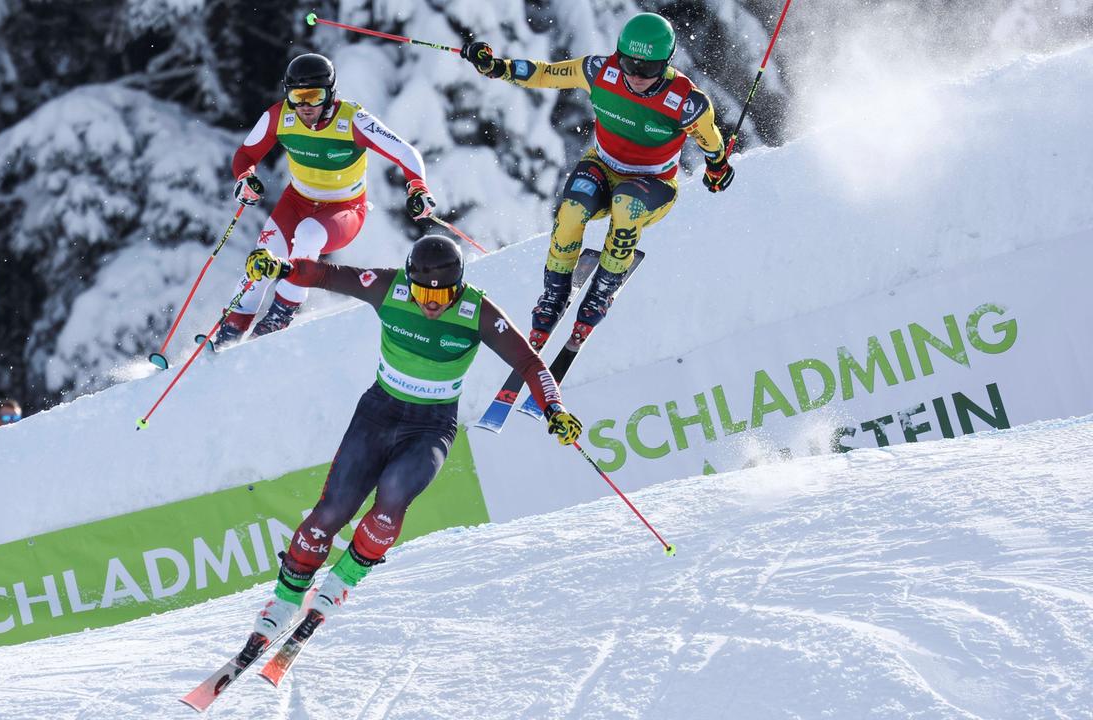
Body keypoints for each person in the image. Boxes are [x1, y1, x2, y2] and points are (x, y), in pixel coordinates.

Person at [236, 235, 583, 657]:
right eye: (421, 292)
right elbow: (327, 274)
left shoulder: (477, 312)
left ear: (458, 286)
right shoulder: (390, 288)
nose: (430, 303)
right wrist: (281, 268)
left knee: (392, 501)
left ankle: (340, 582)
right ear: (409, 281)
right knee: (329, 513)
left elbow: (529, 362)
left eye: (441, 295)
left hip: (431, 426)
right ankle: (285, 601)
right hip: (378, 414)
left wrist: (554, 409)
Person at [459, 12, 732, 351]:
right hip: (603, 166)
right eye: (629, 64)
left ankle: (603, 290)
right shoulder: (599, 71)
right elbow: (545, 74)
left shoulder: (688, 102)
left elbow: (711, 141)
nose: (636, 76)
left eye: (648, 69)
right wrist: (498, 67)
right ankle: (554, 293)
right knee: (572, 209)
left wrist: (718, 167)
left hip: (653, 183)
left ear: (666, 63)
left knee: (626, 205)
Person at [215, 52, 438, 346]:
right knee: (262, 255)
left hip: (343, 209)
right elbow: (246, 154)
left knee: (308, 235)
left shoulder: (354, 120)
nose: (305, 107)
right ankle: (229, 331)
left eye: (314, 96)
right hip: (296, 201)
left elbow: (406, 153)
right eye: (297, 97)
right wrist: (245, 177)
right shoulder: (279, 116)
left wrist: (418, 187)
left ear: (330, 94)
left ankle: (279, 315)